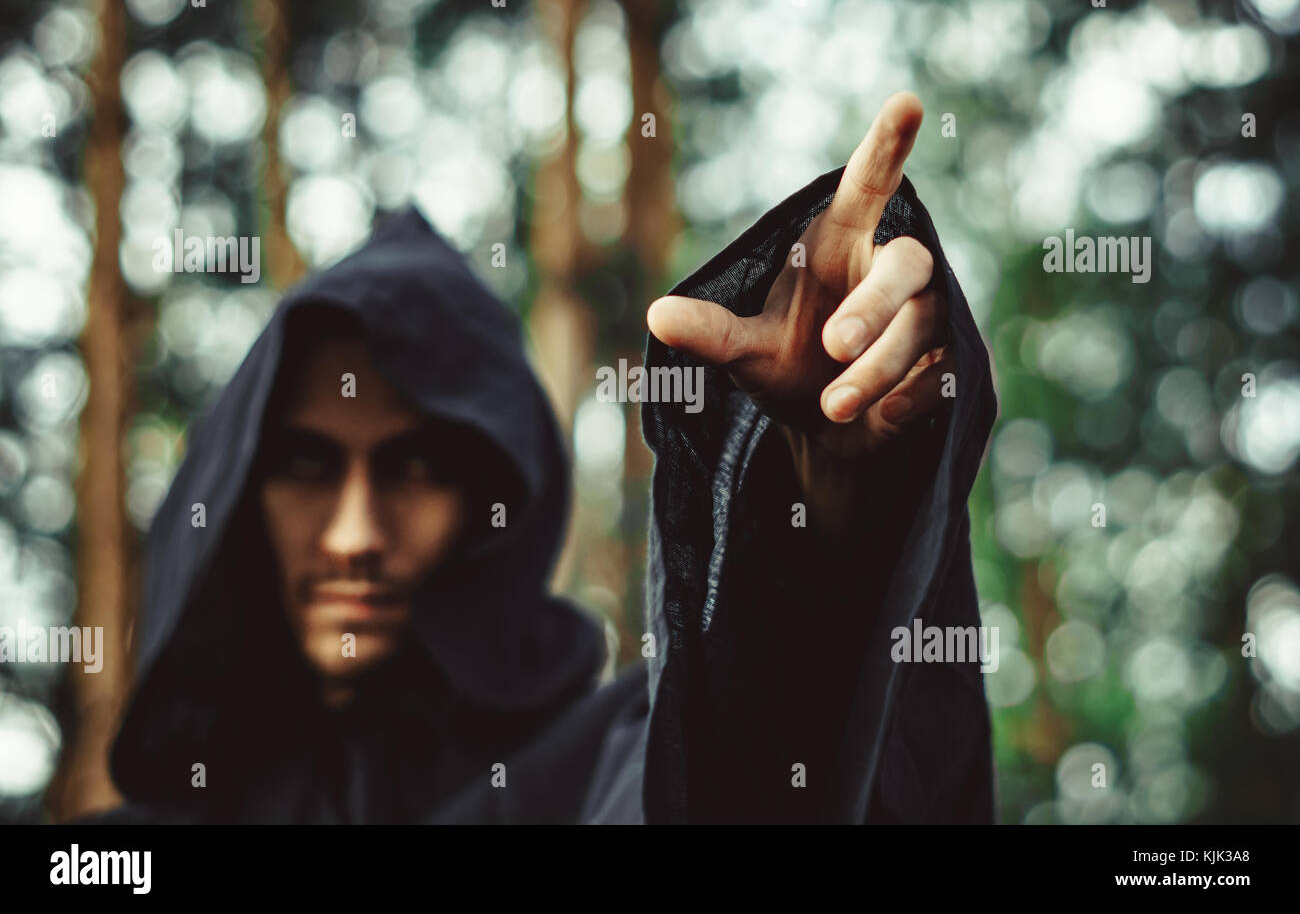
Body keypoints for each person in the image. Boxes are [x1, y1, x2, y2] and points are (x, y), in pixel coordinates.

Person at [85, 93, 998, 824]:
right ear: (238, 484)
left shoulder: (612, 769)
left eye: (416, 469)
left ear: (496, 497)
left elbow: (755, 764)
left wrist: (820, 508)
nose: (356, 537)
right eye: (309, 465)